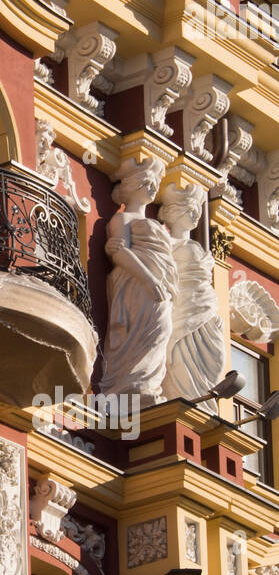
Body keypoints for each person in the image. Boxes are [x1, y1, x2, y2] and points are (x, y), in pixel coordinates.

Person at [100, 157, 177, 405]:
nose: (153, 186)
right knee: (147, 330)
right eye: (146, 181)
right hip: (138, 283)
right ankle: (130, 383)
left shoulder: (157, 225)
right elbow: (119, 251)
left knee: (162, 331)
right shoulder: (122, 219)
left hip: (159, 285)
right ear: (131, 186)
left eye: (155, 182)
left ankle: (148, 384)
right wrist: (149, 279)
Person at [160, 182, 226, 407]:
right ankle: (186, 400)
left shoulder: (197, 247)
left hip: (205, 309)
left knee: (215, 358)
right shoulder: (165, 241)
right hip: (182, 308)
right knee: (179, 357)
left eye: (198, 211)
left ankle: (203, 404)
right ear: (175, 212)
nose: (196, 215)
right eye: (190, 210)